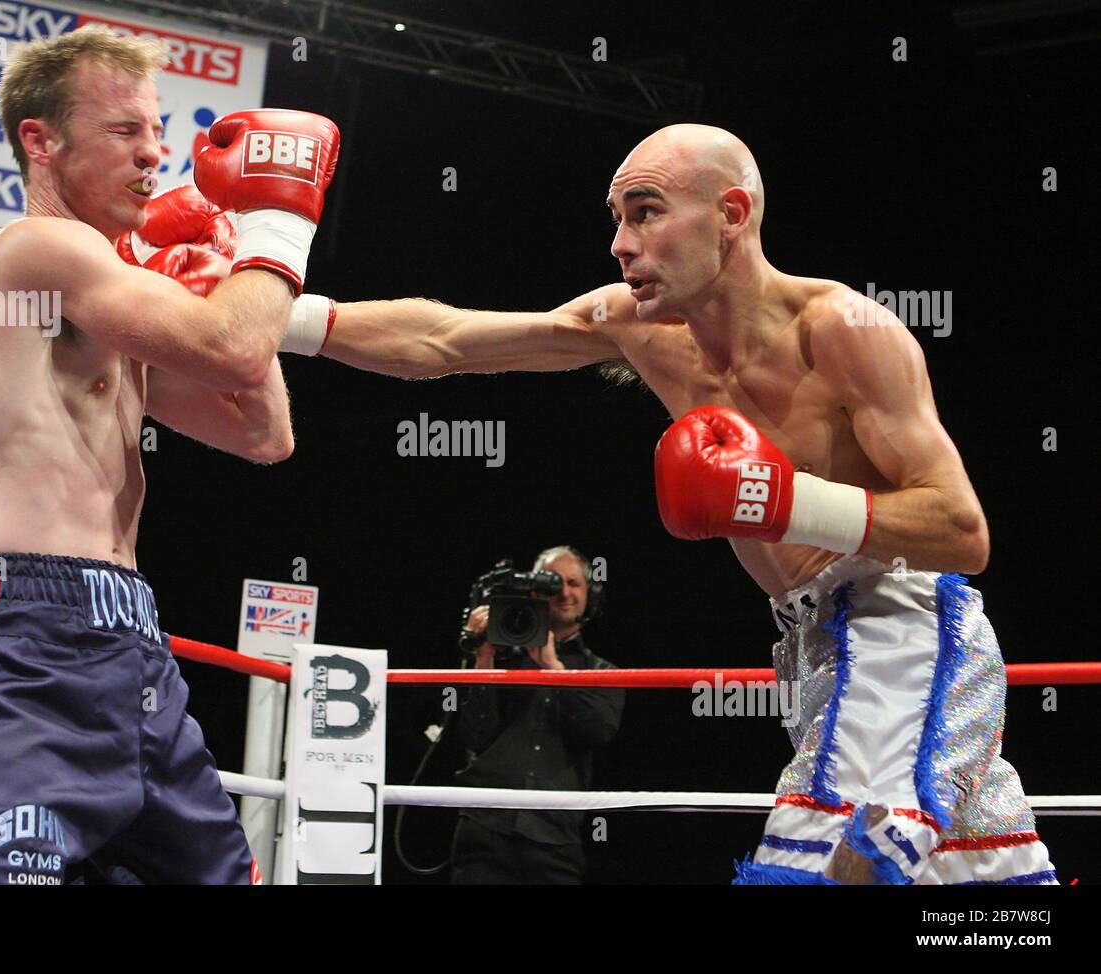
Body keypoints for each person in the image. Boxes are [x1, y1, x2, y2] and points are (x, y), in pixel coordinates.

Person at [310, 124, 1055, 885]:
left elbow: (962, 531)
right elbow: (446, 339)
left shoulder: (842, 331)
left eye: (646, 212)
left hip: (898, 629)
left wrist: (782, 500)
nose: (620, 244)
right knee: (984, 883)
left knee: (825, 865)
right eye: (617, 219)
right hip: (811, 642)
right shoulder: (643, 330)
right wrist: (285, 321)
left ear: (731, 214)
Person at [0, 25, 339, 884]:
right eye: (123, 130)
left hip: (132, 638)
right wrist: (277, 221)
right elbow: (233, 348)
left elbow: (265, 435)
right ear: (41, 141)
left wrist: (225, 262)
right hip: (22, 638)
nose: (154, 154)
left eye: (158, 130)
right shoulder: (31, 252)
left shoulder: (113, 305)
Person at [452, 547, 623, 884]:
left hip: (555, 838)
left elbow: (599, 731)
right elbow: (473, 735)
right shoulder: (499, 658)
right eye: (553, 582)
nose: (564, 592)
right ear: (534, 592)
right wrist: (483, 658)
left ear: (590, 594)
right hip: (484, 827)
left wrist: (553, 669)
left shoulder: (602, 671)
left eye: (573, 583)